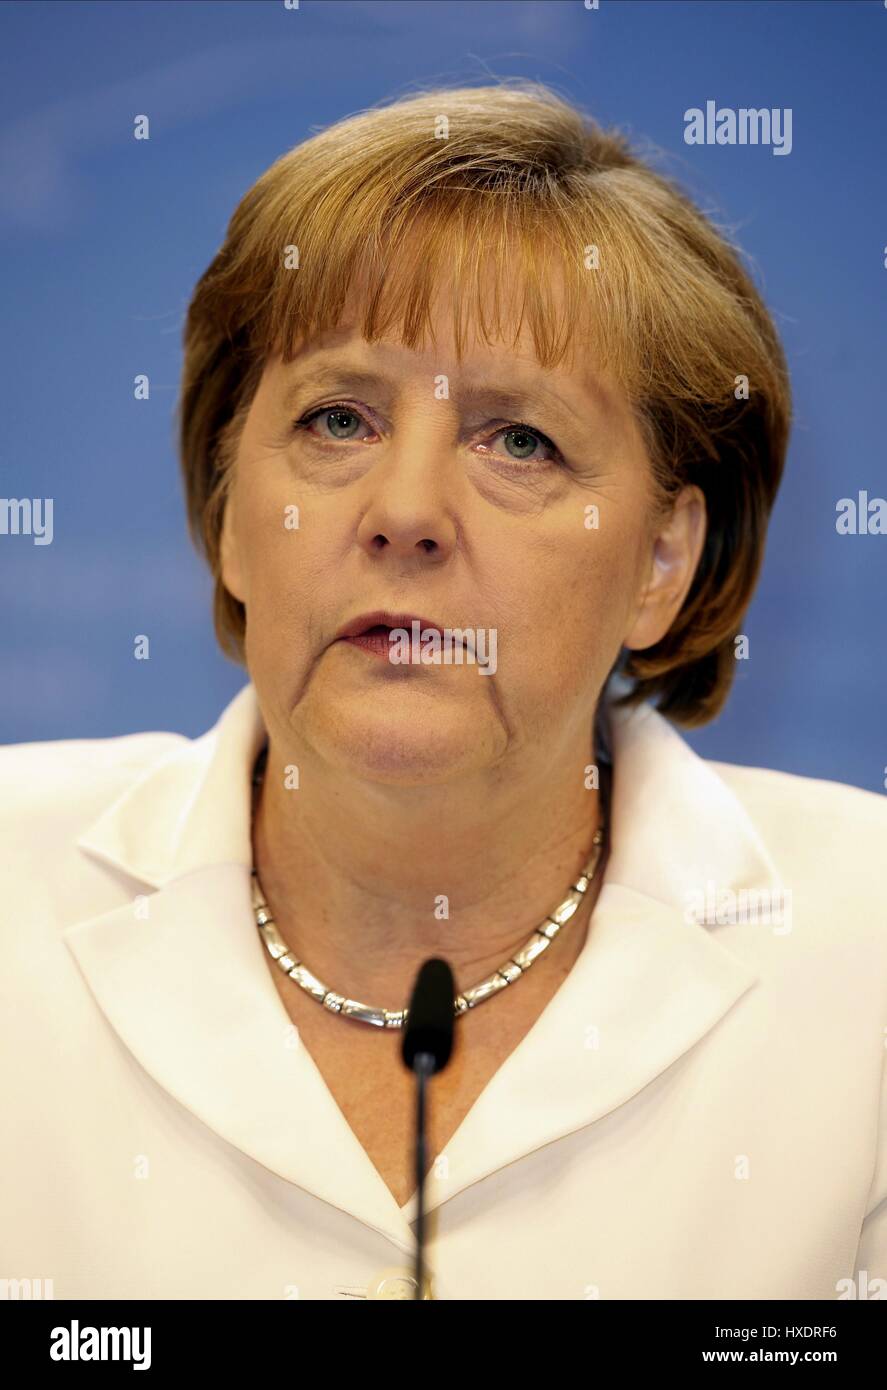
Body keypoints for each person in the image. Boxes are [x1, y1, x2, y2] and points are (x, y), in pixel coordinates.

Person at [1, 81, 885, 1302]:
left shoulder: (866, 959)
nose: (404, 512)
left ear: (660, 564)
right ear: (232, 520)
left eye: (517, 439)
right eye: (338, 419)